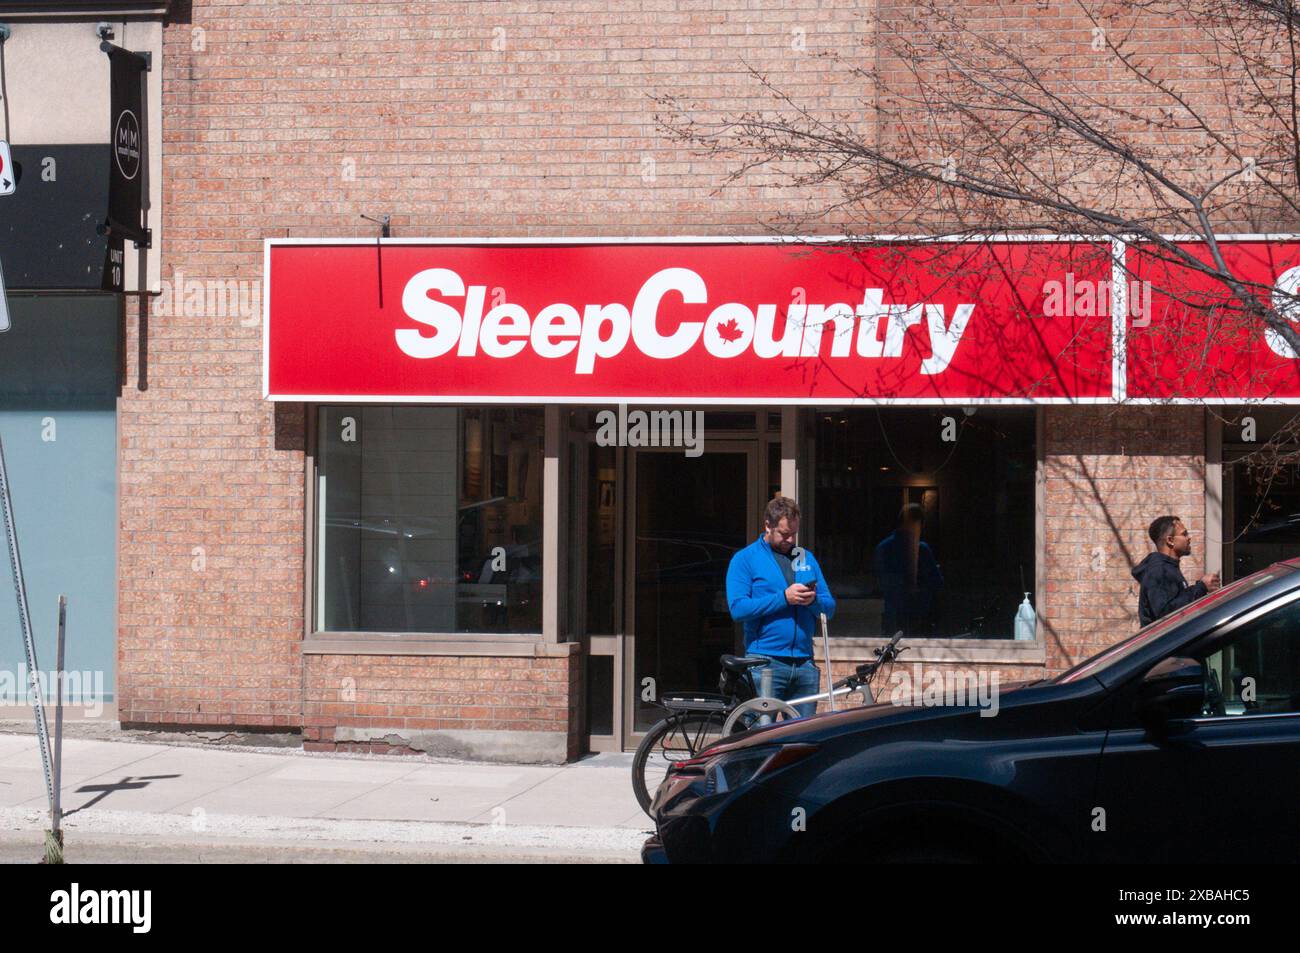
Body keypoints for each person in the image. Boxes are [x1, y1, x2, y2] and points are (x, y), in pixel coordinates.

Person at [725, 496, 836, 718]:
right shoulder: (745, 559)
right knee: (761, 737)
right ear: (768, 525)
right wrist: (784, 598)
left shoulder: (805, 558)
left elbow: (829, 608)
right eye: (784, 534)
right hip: (765, 662)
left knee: (802, 740)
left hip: (804, 663)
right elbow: (738, 609)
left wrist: (812, 601)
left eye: (794, 533)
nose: (790, 539)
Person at [1132, 515, 1221, 626]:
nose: (1189, 538)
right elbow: (1166, 615)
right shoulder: (1158, 571)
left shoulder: (1168, 567)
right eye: (1184, 534)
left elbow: (1176, 601)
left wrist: (1201, 586)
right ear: (1170, 540)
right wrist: (1201, 587)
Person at [874, 503, 943, 636]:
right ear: (916, 523)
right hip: (919, 617)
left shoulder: (882, 548)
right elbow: (937, 582)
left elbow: (881, 582)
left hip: (892, 616)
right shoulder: (921, 549)